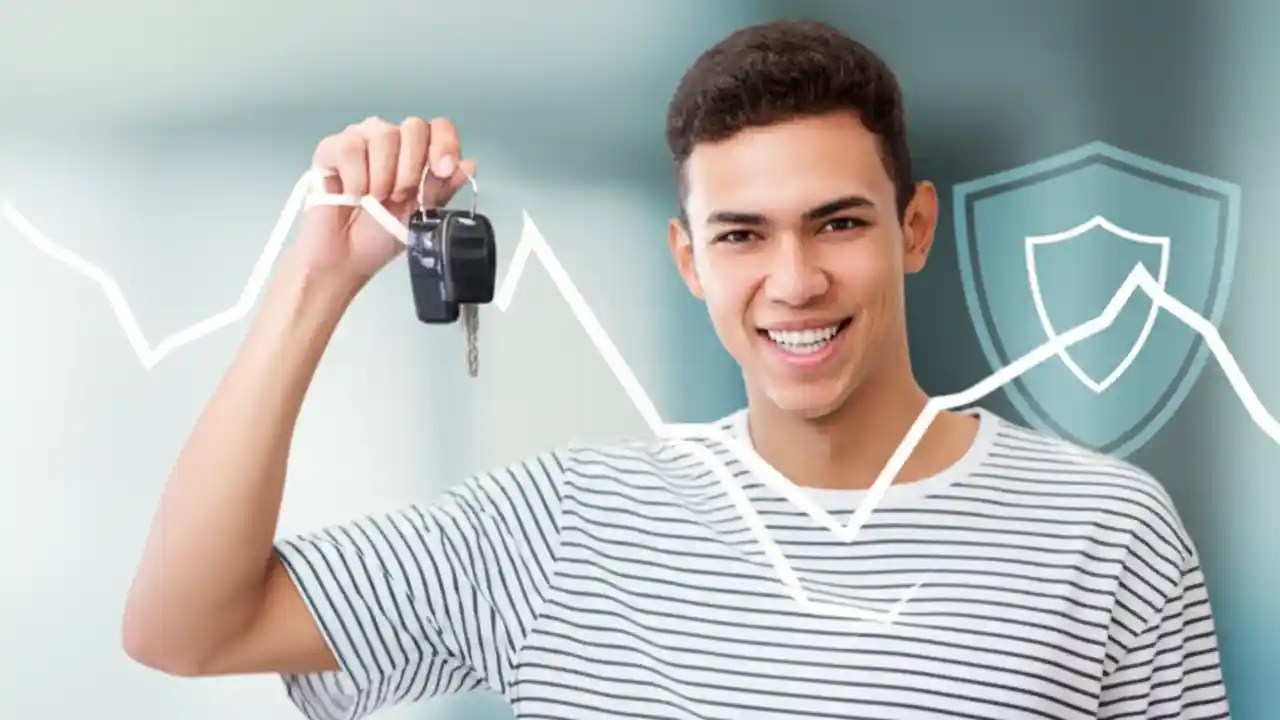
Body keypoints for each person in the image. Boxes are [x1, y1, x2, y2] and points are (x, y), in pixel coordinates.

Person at [121, 18, 1231, 720]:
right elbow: (185, 626)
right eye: (741, 236)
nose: (792, 282)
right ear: (688, 260)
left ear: (914, 228)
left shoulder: (1105, 533)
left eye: (835, 224)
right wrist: (318, 278)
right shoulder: (558, 528)